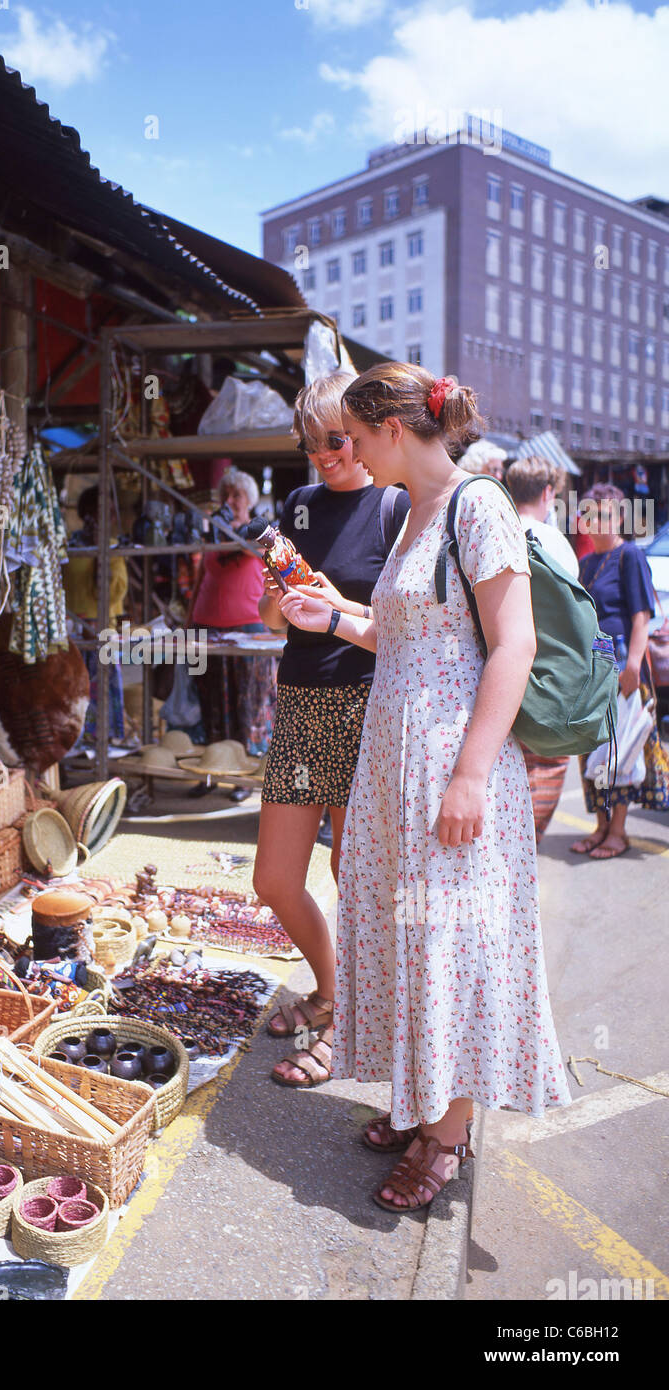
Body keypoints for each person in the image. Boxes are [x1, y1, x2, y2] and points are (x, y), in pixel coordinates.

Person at [278, 364, 570, 1212]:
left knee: (451, 946)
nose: (353, 453)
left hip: (448, 763)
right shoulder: (417, 518)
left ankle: (446, 1137)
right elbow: (405, 637)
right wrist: (332, 619)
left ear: (394, 431)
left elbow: (511, 645)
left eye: (358, 437)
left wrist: (472, 773)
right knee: (409, 941)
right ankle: (425, 1106)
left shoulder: (478, 506)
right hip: (393, 762)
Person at [253, 370, 410, 1087]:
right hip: (302, 698)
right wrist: (275, 597)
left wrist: (338, 604)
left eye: (338, 440)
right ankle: (329, 989)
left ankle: (346, 1025)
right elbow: (269, 619)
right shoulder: (301, 504)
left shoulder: (394, 505)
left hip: (364, 702)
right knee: (275, 880)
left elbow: (409, 627)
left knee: (356, 878)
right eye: (312, 443)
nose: (326, 455)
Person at [571, 483, 658, 860]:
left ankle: (618, 831)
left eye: (604, 514)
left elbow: (641, 616)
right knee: (595, 751)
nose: (596, 521)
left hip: (623, 666)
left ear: (619, 517)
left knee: (620, 750)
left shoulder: (630, 556)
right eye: (589, 514)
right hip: (592, 669)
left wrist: (634, 666)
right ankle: (601, 825)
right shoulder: (588, 563)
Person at [187, 466, 277, 799]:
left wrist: (229, 528)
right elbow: (201, 577)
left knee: (248, 704)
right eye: (226, 495)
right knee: (210, 703)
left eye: (237, 495)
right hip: (207, 626)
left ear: (250, 500)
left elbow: (254, 547)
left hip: (248, 628)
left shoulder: (257, 531)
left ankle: (244, 776)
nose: (230, 500)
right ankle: (209, 770)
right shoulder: (215, 534)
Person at [504, 456, 578, 842]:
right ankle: (522, 845)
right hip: (543, 672)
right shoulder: (555, 541)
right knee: (546, 762)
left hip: (495, 665)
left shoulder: (497, 529)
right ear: (549, 493)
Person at [64, 484, 128, 746]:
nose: (106, 517)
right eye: (100, 511)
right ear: (86, 512)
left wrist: (102, 555)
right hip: (74, 632)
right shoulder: (69, 546)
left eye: (110, 512)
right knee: (72, 691)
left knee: (104, 688)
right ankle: (74, 742)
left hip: (104, 633)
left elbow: (114, 593)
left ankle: (101, 743)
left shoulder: (114, 548)